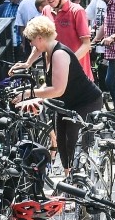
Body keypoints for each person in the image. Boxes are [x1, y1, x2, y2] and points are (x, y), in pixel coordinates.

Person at [16, 15, 104, 172]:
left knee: (72, 141)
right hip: (66, 103)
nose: (31, 44)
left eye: (32, 40)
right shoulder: (46, 49)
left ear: (41, 38)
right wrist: (27, 64)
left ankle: (77, 181)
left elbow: (57, 90)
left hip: (86, 101)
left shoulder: (59, 54)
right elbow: (37, 53)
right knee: (61, 143)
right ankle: (68, 179)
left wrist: (28, 94)